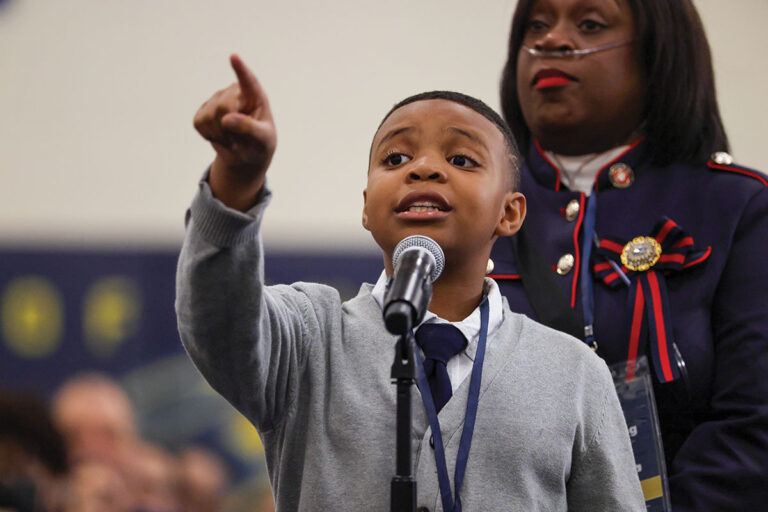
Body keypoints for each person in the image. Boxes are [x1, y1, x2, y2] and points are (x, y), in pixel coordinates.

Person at [176, 53, 645, 511]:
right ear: (365, 206)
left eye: (462, 159)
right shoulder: (310, 337)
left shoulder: (573, 371)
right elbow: (219, 325)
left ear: (509, 212)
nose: (423, 168)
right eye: (396, 157)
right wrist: (236, 182)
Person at [490, 0, 768, 510]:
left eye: (590, 23)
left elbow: (754, 426)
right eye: (536, 25)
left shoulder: (738, 207)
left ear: (659, 54)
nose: (552, 41)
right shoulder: (473, 208)